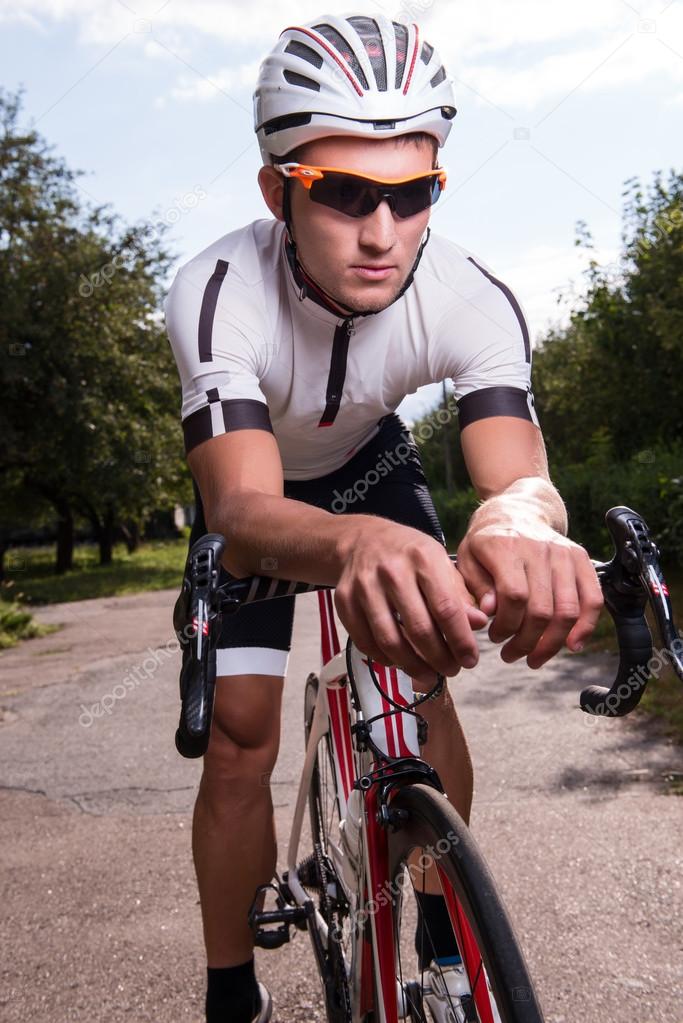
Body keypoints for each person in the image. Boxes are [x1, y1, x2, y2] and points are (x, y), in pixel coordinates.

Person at [164, 13, 604, 1023]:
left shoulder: (467, 293)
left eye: (411, 195)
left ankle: (445, 930)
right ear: (277, 191)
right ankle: (230, 990)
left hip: (372, 467)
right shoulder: (215, 290)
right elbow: (239, 505)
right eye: (343, 192)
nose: (381, 233)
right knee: (238, 735)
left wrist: (518, 522)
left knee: (424, 678)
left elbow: (518, 476)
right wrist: (358, 540)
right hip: (260, 490)